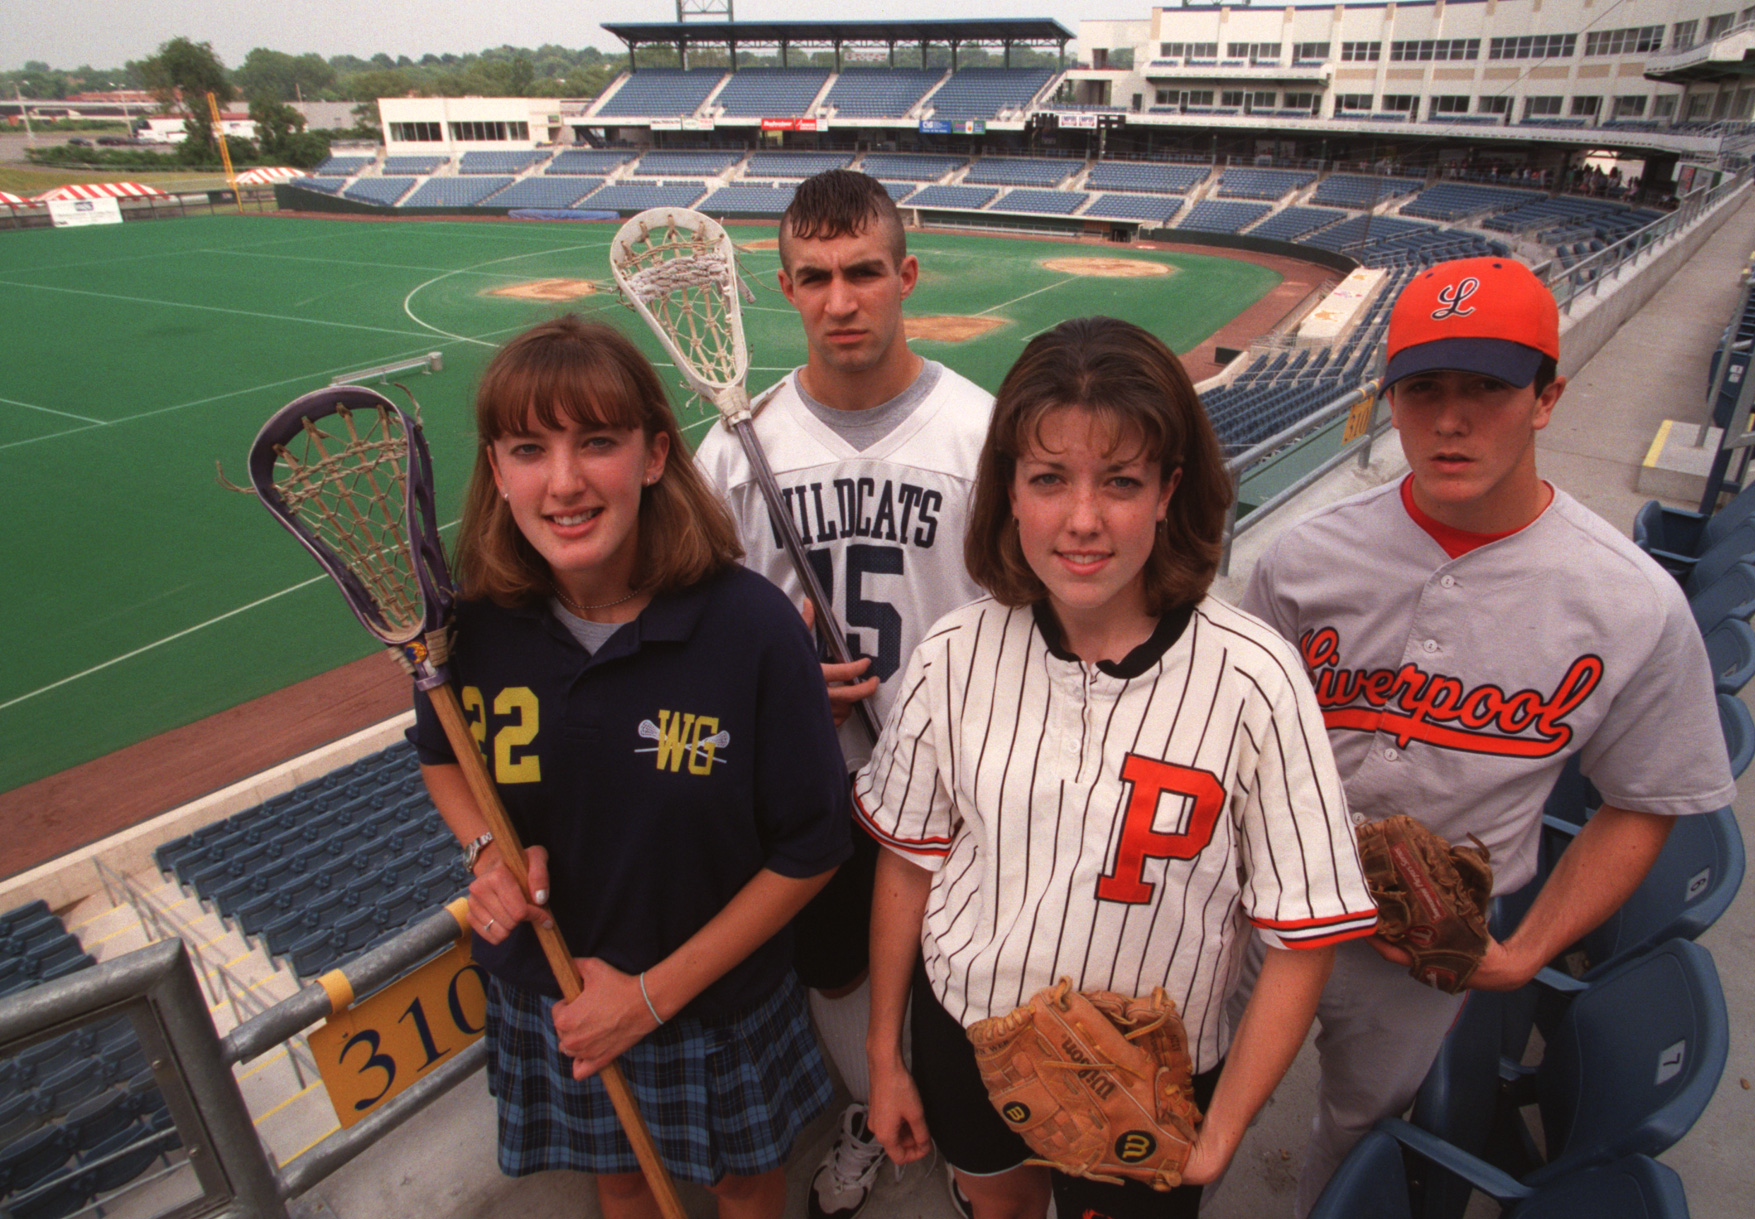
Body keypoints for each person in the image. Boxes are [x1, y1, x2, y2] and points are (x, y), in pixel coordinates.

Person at [1237, 256, 1737, 1215]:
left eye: (1489, 387)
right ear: (1392, 398)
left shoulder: (1632, 603)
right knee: (1201, 1073)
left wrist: (1522, 950)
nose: (1452, 418)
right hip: (1265, 897)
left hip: (1419, 948)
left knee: (1356, 1131)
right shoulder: (1305, 557)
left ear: (1548, 396)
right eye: (1424, 389)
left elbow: (1646, 799)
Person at [855, 317, 1378, 1219]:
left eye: (1122, 481)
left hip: (1150, 1075)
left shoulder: (1254, 677)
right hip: (968, 1030)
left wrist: (1225, 1126)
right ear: (1010, 491)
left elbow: (1306, 932)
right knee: (999, 1207)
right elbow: (910, 861)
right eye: (1049, 478)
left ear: (1171, 489)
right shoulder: (953, 651)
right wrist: (884, 1055)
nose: (1083, 519)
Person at [408, 315, 852, 1219]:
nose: (563, 481)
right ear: (496, 471)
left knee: (742, 1183)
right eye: (529, 448)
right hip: (556, 992)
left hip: (713, 1001)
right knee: (617, 1175)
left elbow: (813, 845)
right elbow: (440, 758)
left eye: (597, 442)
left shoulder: (754, 628)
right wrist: (488, 852)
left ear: (654, 456)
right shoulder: (468, 630)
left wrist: (648, 996)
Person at [696, 168, 994, 1219]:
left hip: (958, 776)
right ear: (783, 287)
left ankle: (971, 1133)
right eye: (815, 277)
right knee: (833, 971)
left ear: (905, 275)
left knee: (961, 968)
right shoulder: (736, 453)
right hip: (816, 782)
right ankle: (875, 1106)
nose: (841, 300)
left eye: (863, 271)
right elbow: (694, 638)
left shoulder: (979, 435)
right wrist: (769, 688)